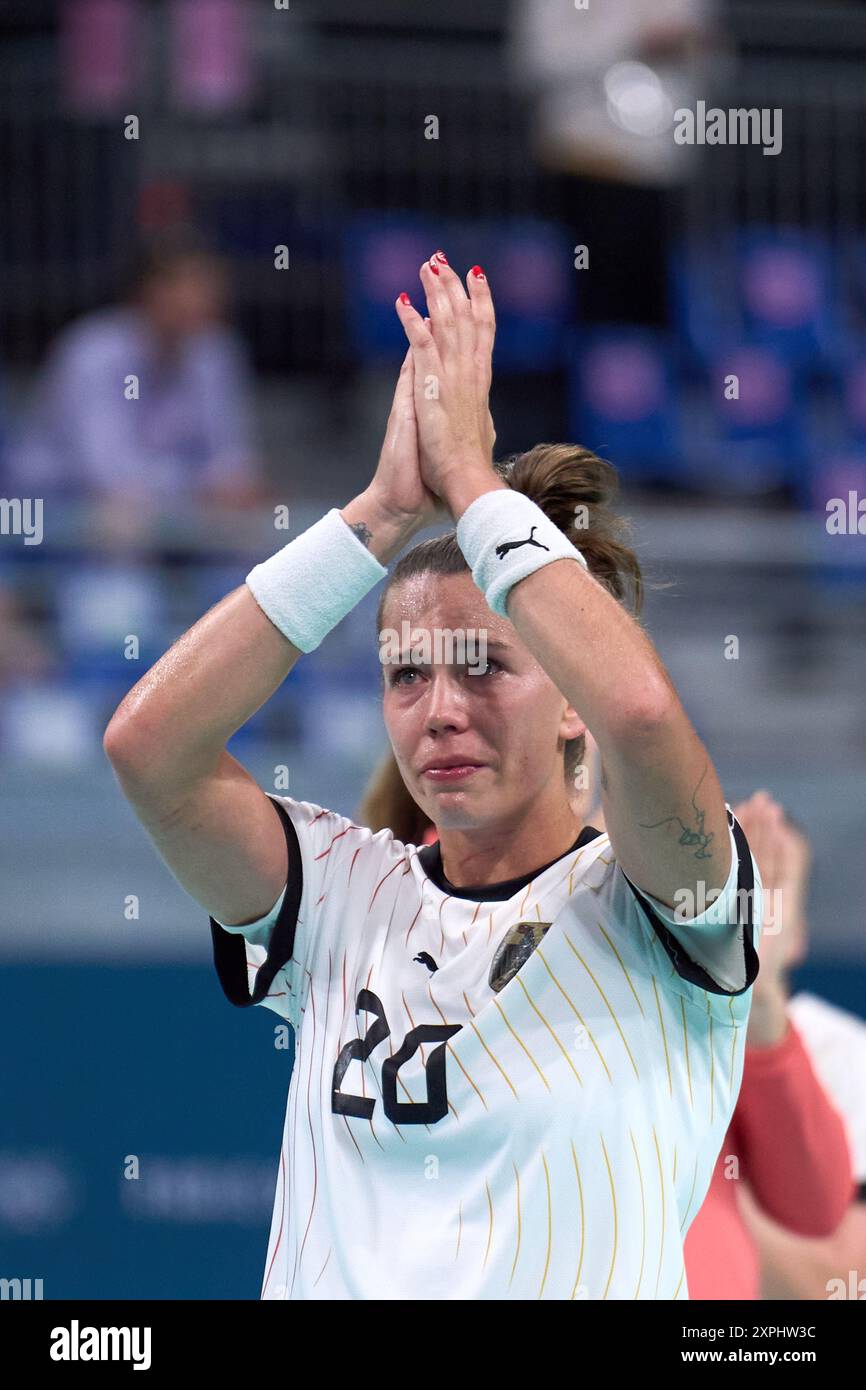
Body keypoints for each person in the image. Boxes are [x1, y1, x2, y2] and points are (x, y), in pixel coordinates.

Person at [104, 249, 763, 1300]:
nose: (440, 709)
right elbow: (150, 749)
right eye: (404, 674)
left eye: (485, 666)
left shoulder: (661, 912)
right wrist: (376, 517)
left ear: (566, 708)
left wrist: (472, 487)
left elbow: (638, 712)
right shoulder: (336, 892)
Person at [681, 792, 856, 1299]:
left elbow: (845, 1281)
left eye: (769, 891)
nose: (745, 914)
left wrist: (706, 1193)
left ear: (800, 934)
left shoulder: (842, 1052)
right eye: (733, 887)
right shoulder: (644, 1021)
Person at [7, 226, 264, 511]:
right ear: (149, 291)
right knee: (121, 517)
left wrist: (233, 484)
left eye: (211, 286)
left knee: (244, 522)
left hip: (160, 505)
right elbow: (107, 473)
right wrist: (200, 486)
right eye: (191, 285)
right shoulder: (93, 351)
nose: (207, 298)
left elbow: (231, 458)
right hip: (49, 508)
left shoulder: (216, 352)